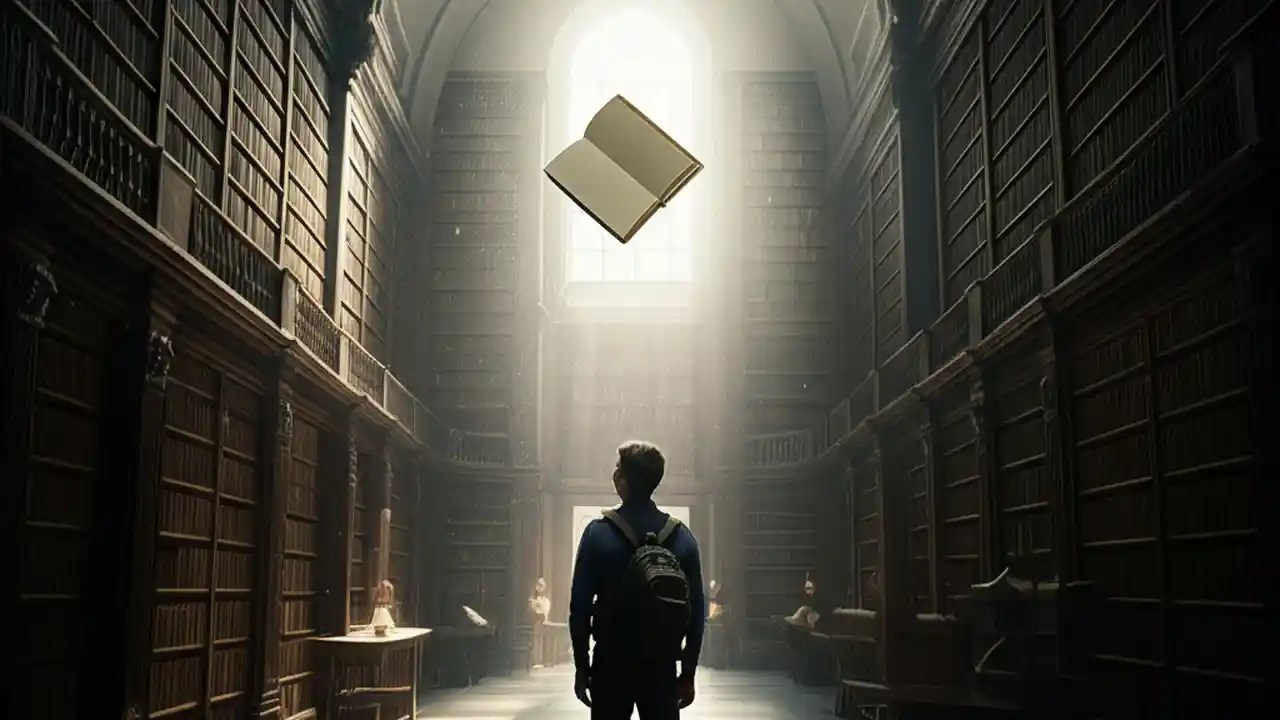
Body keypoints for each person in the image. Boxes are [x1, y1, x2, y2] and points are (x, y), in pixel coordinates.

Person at [570, 441, 706, 719]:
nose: (614, 475)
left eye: (618, 469)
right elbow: (696, 614)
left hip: (611, 665)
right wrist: (688, 672)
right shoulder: (682, 538)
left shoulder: (598, 534)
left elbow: (580, 608)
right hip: (661, 667)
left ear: (626, 481)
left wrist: (582, 667)